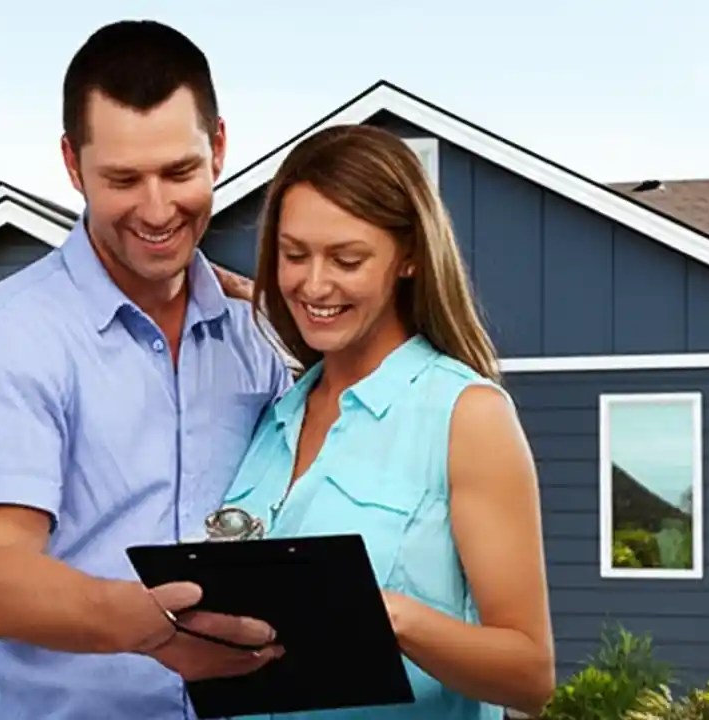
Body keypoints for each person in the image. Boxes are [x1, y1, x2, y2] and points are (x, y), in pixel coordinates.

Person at [0, 19, 291, 720]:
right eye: (123, 179)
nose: (157, 210)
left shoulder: (259, 338)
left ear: (218, 147)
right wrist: (157, 628)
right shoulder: (8, 340)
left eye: (180, 173)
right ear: (72, 164)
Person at [218, 124, 556, 719]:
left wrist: (390, 617)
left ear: (408, 259)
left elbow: (529, 674)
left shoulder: (465, 416)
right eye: (294, 255)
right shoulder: (275, 416)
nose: (313, 284)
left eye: (346, 259)